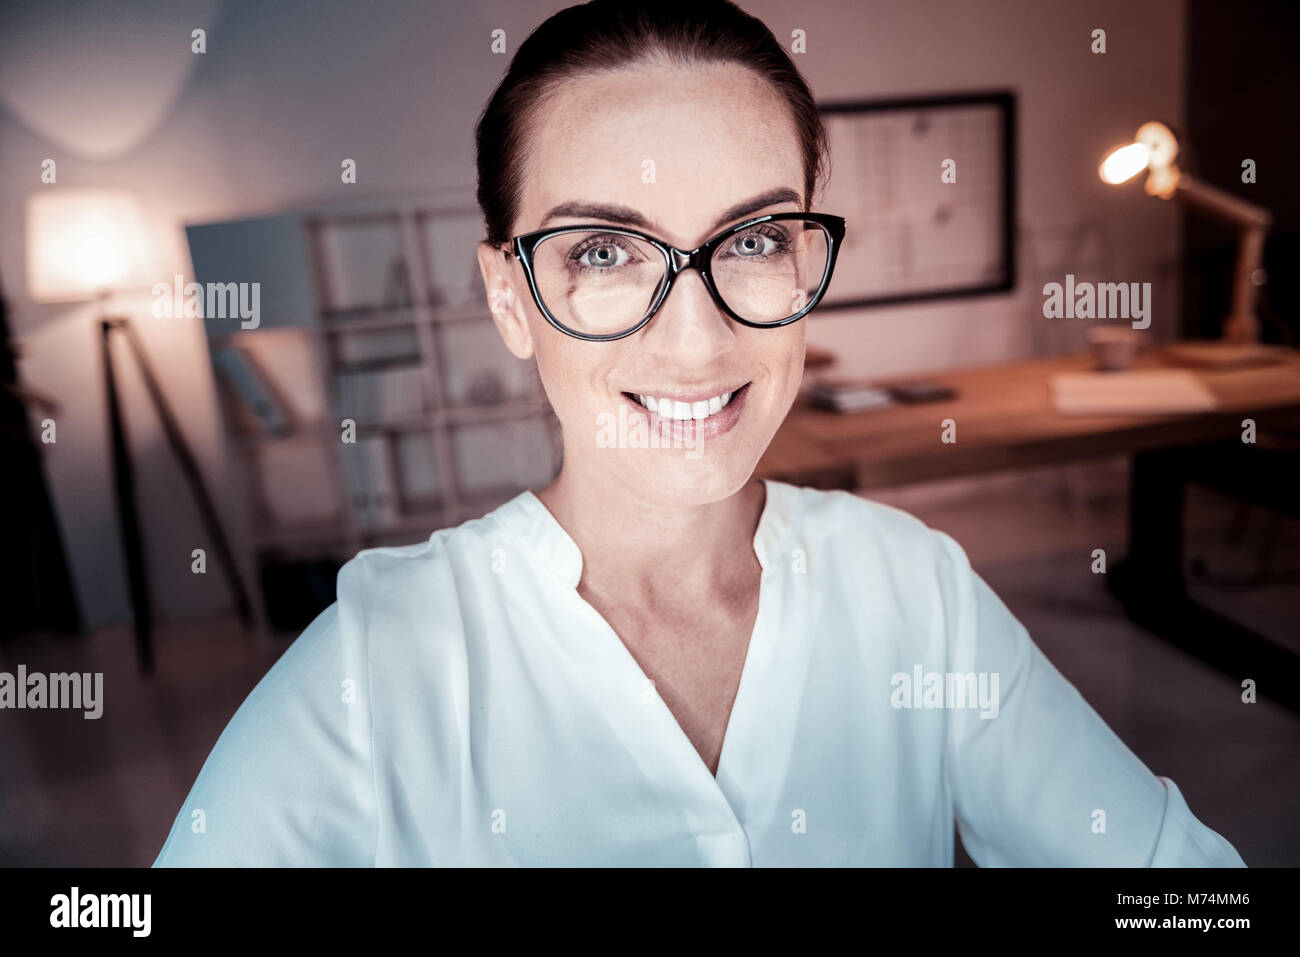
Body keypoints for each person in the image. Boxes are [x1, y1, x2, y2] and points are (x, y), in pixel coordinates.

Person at [154, 0, 1244, 867]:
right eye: (601, 252)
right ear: (505, 297)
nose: (695, 339)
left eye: (756, 237)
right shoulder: (378, 667)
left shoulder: (914, 591)